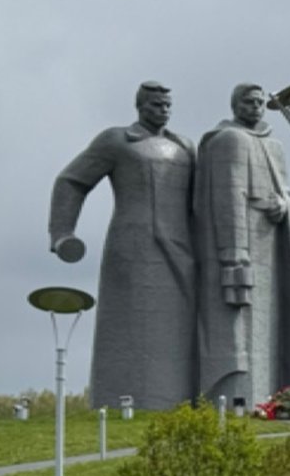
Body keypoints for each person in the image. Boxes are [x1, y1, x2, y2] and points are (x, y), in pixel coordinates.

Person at [48, 81, 198, 410]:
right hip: (133, 247)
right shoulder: (117, 141)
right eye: (156, 104)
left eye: (168, 105)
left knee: (177, 328)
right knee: (131, 326)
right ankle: (123, 401)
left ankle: (179, 402)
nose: (164, 110)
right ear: (140, 106)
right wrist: (61, 233)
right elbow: (72, 181)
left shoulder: (185, 146)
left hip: (182, 249)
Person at [193, 83, 290, 409]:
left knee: (269, 326)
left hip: (270, 241)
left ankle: (270, 398)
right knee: (238, 328)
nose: (256, 107)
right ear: (235, 105)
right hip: (239, 245)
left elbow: (288, 194)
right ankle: (238, 400)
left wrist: (284, 205)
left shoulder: (274, 145)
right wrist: (234, 253)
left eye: (260, 102)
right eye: (249, 101)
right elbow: (227, 198)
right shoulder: (228, 140)